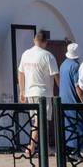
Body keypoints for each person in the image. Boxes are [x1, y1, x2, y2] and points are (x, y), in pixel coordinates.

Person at [17, 29, 60, 158]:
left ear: (34, 40)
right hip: (44, 93)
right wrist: (61, 89)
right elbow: (56, 75)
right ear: (45, 42)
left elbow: (20, 72)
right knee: (40, 120)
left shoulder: (26, 54)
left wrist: (22, 90)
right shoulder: (47, 56)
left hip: (30, 92)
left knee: (40, 121)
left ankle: (46, 148)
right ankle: (31, 147)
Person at [58, 41, 83, 156]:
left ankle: (67, 151)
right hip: (73, 101)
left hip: (64, 100)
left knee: (68, 127)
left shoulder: (63, 64)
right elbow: (78, 87)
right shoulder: (75, 66)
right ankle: (76, 152)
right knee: (80, 127)